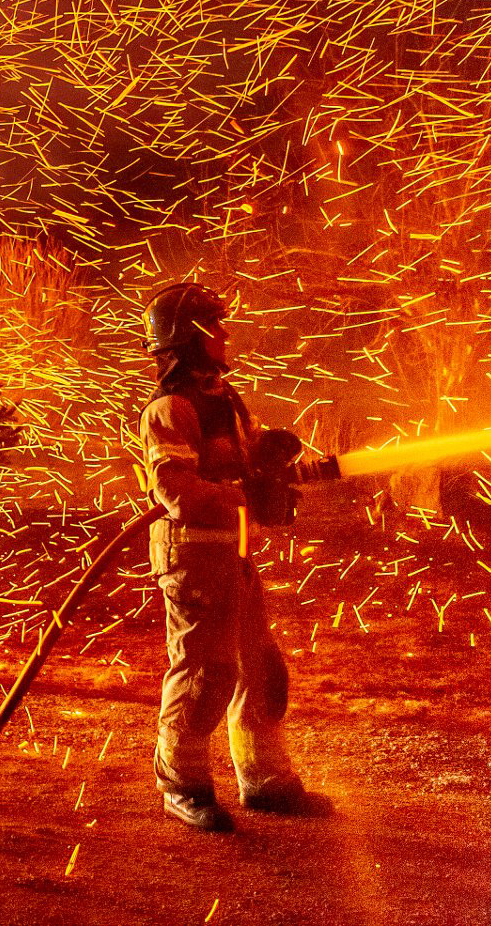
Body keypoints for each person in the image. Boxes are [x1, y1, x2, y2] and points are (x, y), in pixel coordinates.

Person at [139, 281, 331, 831]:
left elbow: (242, 464)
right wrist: (246, 492)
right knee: (207, 674)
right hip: (193, 561)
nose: (224, 335)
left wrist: (269, 455)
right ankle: (183, 783)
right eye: (212, 327)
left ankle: (265, 780)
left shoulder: (225, 400)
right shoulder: (170, 409)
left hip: (236, 556)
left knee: (261, 671)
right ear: (187, 339)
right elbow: (177, 493)